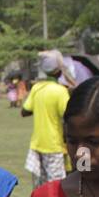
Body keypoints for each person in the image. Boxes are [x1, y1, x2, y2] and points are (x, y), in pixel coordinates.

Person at [22, 51, 70, 187]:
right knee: (56, 187)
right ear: (59, 71)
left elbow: (24, 111)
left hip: (36, 145)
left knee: (40, 187)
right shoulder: (60, 91)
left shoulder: (37, 88)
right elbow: (68, 117)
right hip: (54, 145)